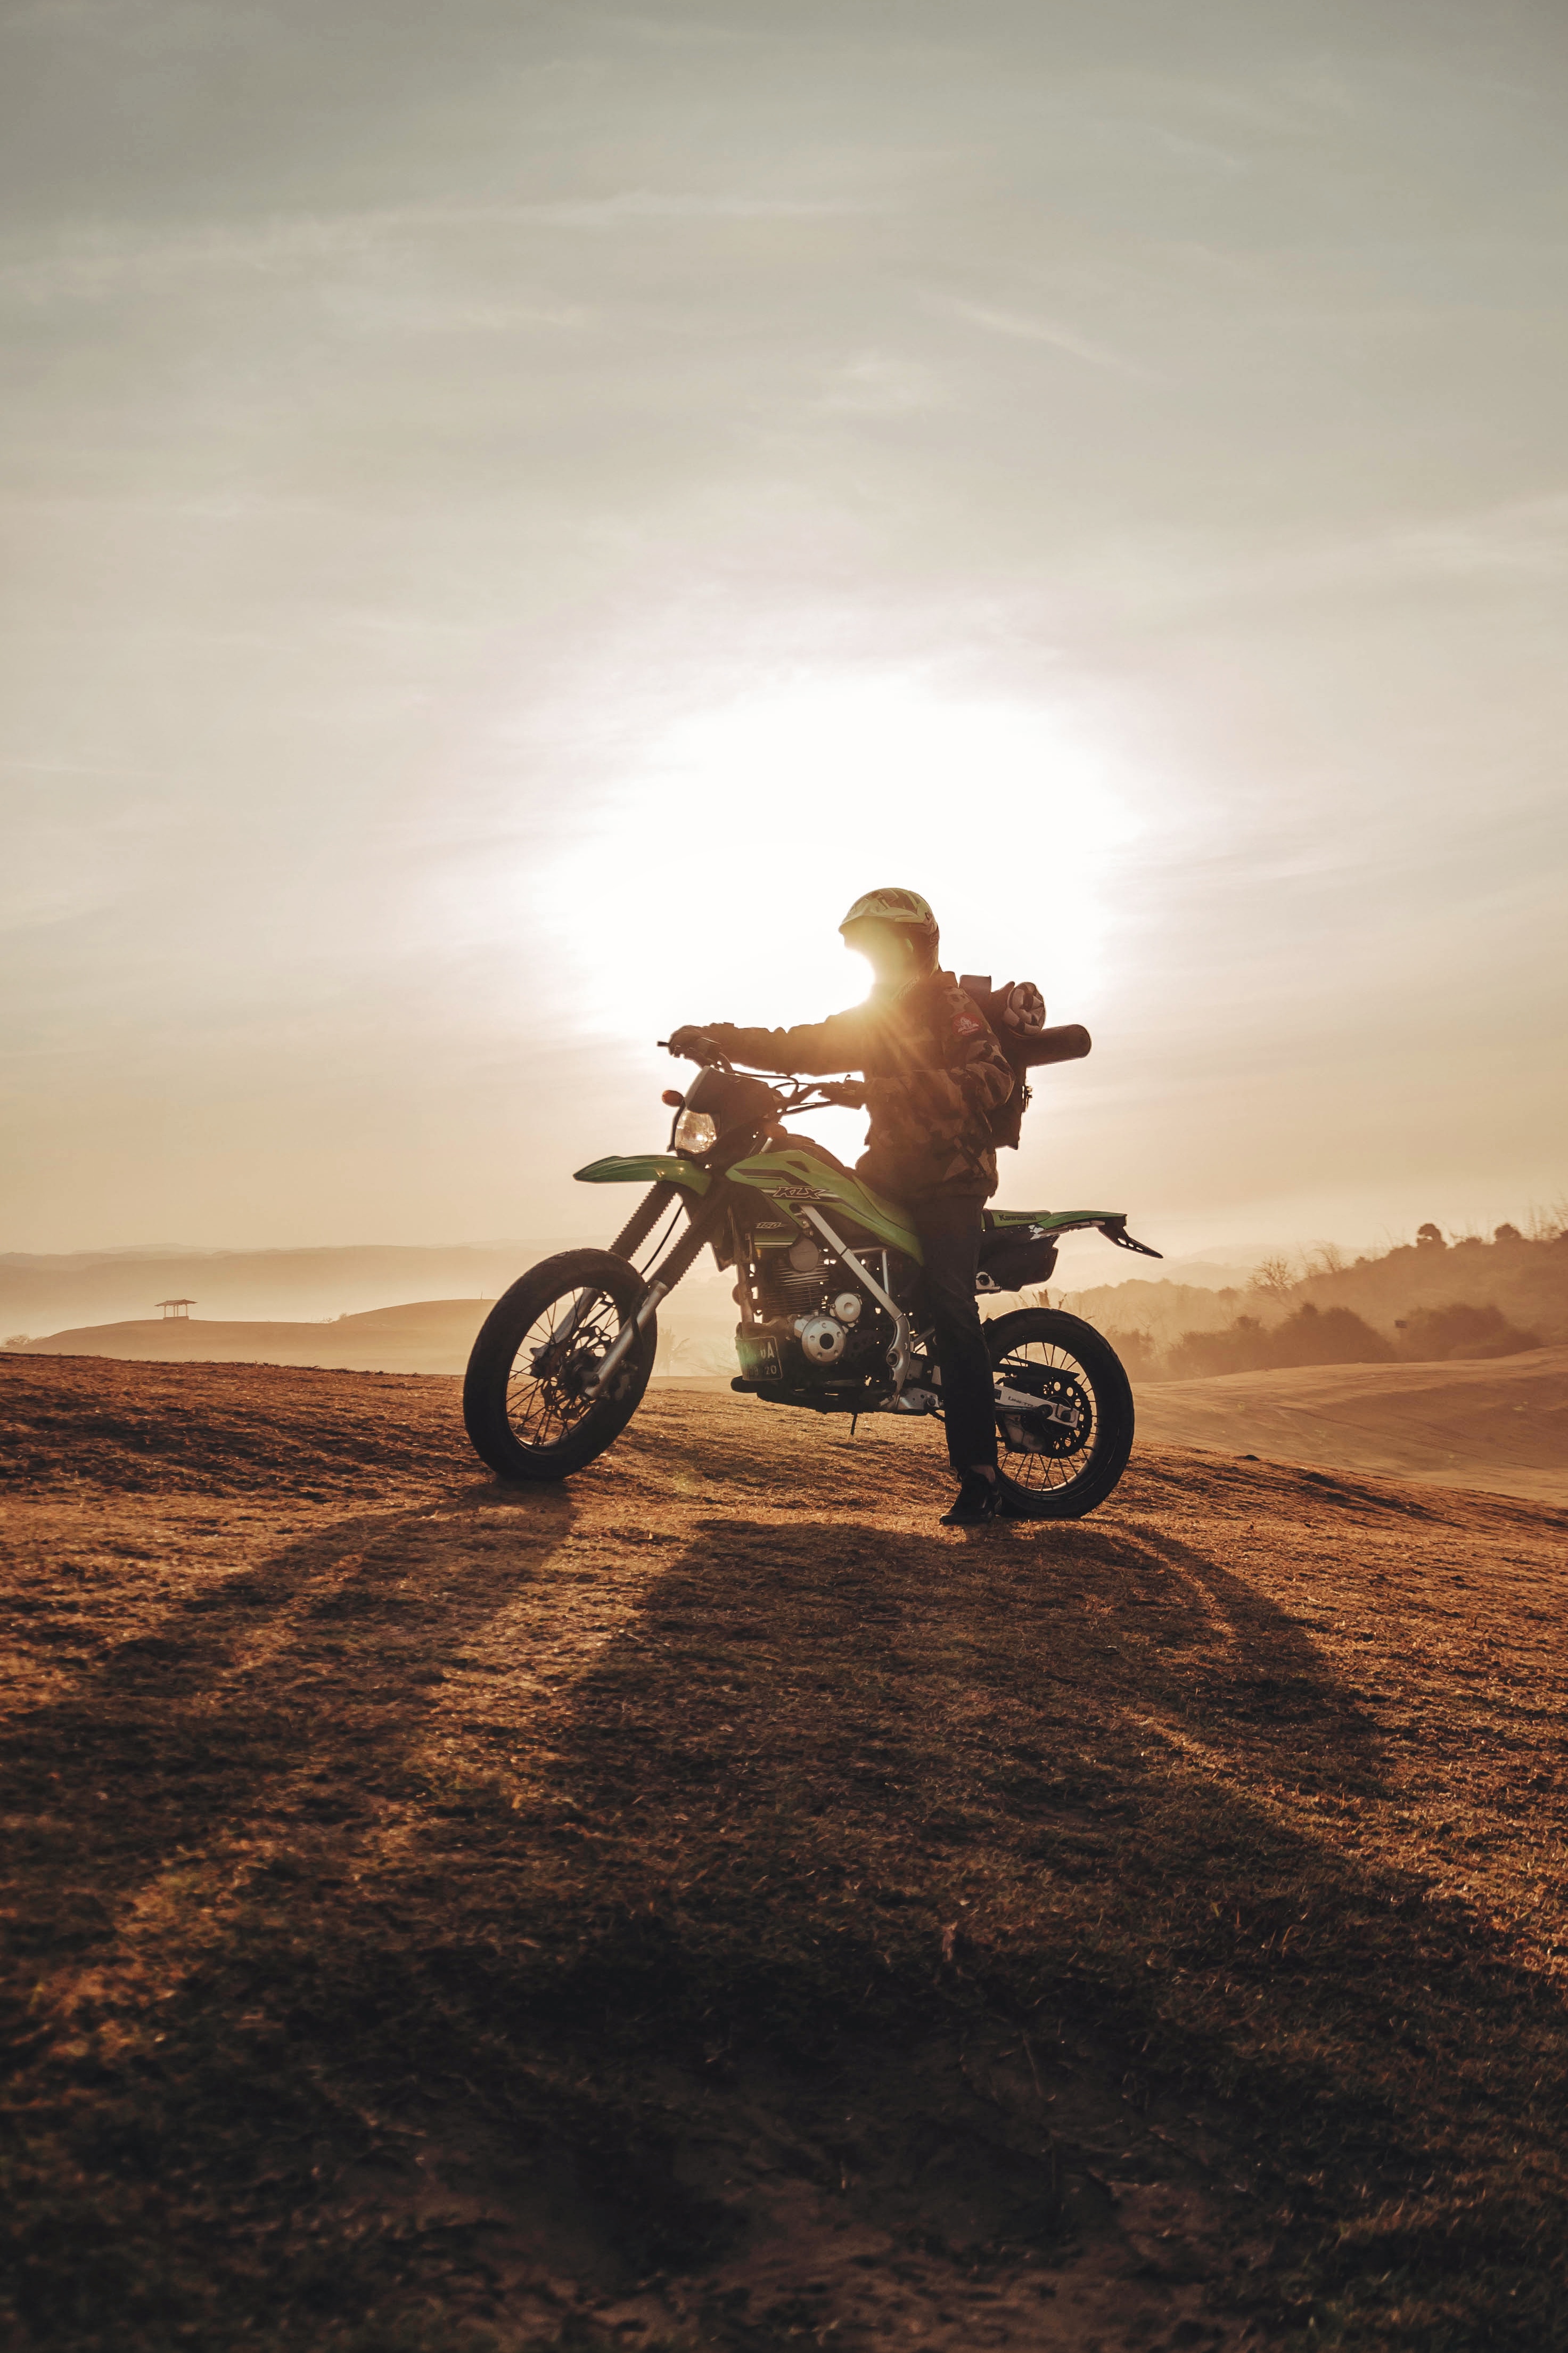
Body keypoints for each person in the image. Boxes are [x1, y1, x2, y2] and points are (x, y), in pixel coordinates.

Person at [667, 887, 1021, 1526]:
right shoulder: (875, 1014)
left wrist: (879, 1090)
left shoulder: (950, 1005)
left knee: (951, 1306)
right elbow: (798, 1045)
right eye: (865, 949)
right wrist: (717, 1037)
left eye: (879, 944)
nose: (871, 957)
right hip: (887, 1172)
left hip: (950, 1179)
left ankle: (981, 1474)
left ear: (910, 943)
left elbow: (991, 1078)